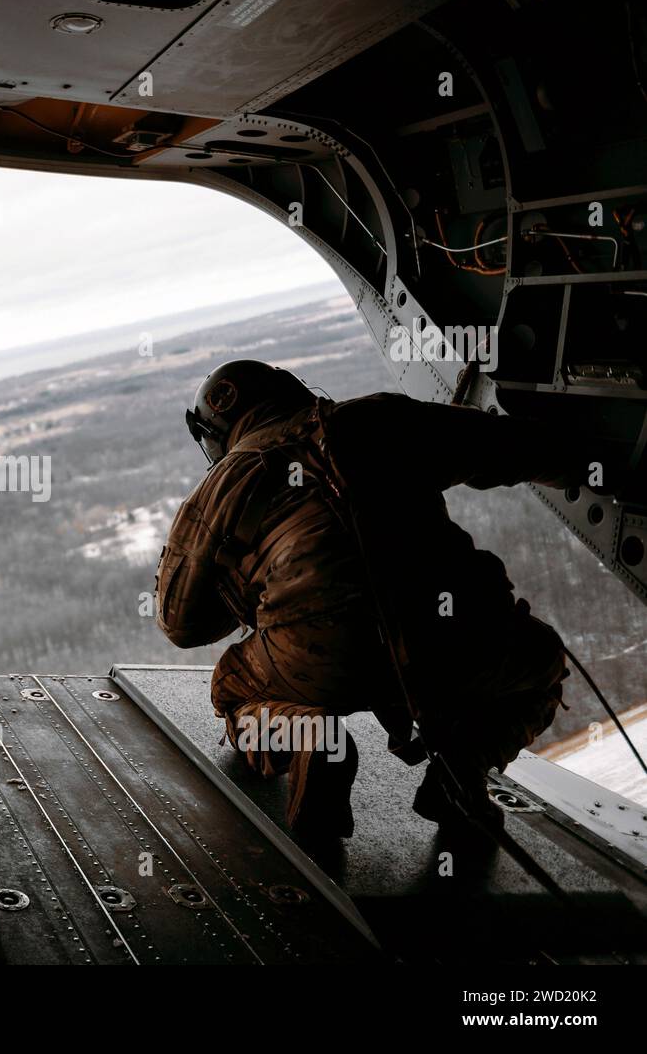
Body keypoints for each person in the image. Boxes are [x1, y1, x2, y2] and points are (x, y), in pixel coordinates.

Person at [155, 359, 585, 846]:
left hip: (316, 663)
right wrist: (587, 458)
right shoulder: (377, 419)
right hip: (444, 643)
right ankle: (460, 769)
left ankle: (308, 735)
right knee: (540, 663)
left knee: (234, 687)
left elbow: (180, 625)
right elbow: (516, 449)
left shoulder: (216, 491)